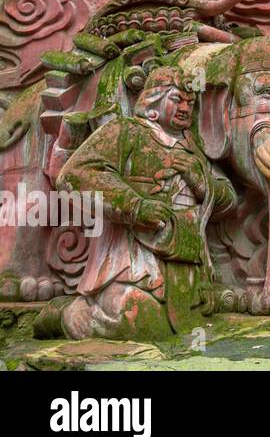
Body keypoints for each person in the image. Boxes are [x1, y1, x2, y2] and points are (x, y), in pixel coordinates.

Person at [50, 67, 236, 339]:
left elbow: (229, 200)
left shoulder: (193, 147)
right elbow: (75, 175)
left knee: (190, 326)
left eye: (190, 102)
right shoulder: (126, 131)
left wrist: (201, 181)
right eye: (176, 99)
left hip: (188, 258)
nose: (185, 108)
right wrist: (134, 206)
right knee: (138, 318)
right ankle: (65, 315)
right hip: (134, 258)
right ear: (153, 101)